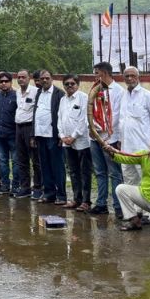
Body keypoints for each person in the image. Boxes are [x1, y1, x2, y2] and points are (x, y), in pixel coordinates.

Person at [88, 62, 125, 217]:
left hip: (111, 138)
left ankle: (118, 207)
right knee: (99, 172)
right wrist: (92, 127)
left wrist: (101, 126)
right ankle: (101, 204)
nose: (95, 76)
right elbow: (89, 110)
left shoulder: (118, 91)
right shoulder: (95, 89)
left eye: (97, 73)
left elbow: (117, 115)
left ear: (104, 73)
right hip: (95, 137)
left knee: (115, 173)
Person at [32, 70, 66, 203]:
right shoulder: (39, 93)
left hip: (53, 135)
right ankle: (49, 193)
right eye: (42, 79)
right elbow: (36, 113)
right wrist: (33, 135)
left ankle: (61, 195)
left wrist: (60, 136)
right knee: (44, 165)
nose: (44, 81)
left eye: (47, 78)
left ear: (52, 79)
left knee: (57, 166)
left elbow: (61, 116)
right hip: (40, 135)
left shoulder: (59, 94)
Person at [120, 67, 150, 185]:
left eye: (132, 75)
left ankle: (146, 204)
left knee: (145, 180)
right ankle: (131, 204)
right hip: (126, 148)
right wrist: (119, 140)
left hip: (143, 146)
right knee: (129, 181)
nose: (130, 78)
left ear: (138, 77)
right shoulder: (123, 95)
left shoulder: (147, 95)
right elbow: (122, 120)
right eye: (127, 76)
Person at [58, 74, 92, 211]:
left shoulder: (83, 98)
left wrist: (74, 136)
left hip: (81, 141)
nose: (69, 86)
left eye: (72, 83)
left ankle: (86, 201)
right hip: (66, 141)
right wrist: (62, 136)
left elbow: (85, 119)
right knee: (73, 171)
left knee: (84, 171)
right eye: (66, 84)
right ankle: (76, 199)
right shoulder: (62, 100)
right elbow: (59, 119)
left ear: (78, 84)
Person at [12, 70, 39, 199]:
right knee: (21, 159)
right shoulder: (17, 92)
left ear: (29, 78)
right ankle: (25, 187)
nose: (21, 79)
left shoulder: (35, 92)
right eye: (19, 77)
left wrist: (34, 133)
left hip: (30, 127)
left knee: (35, 159)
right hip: (19, 127)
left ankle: (38, 187)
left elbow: (36, 113)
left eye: (23, 77)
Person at [0, 72, 18, 194]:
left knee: (15, 161)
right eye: (1, 81)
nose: (3, 83)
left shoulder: (16, 96)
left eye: (6, 81)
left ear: (11, 82)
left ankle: (16, 186)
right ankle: (5, 185)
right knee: (2, 160)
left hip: (13, 134)